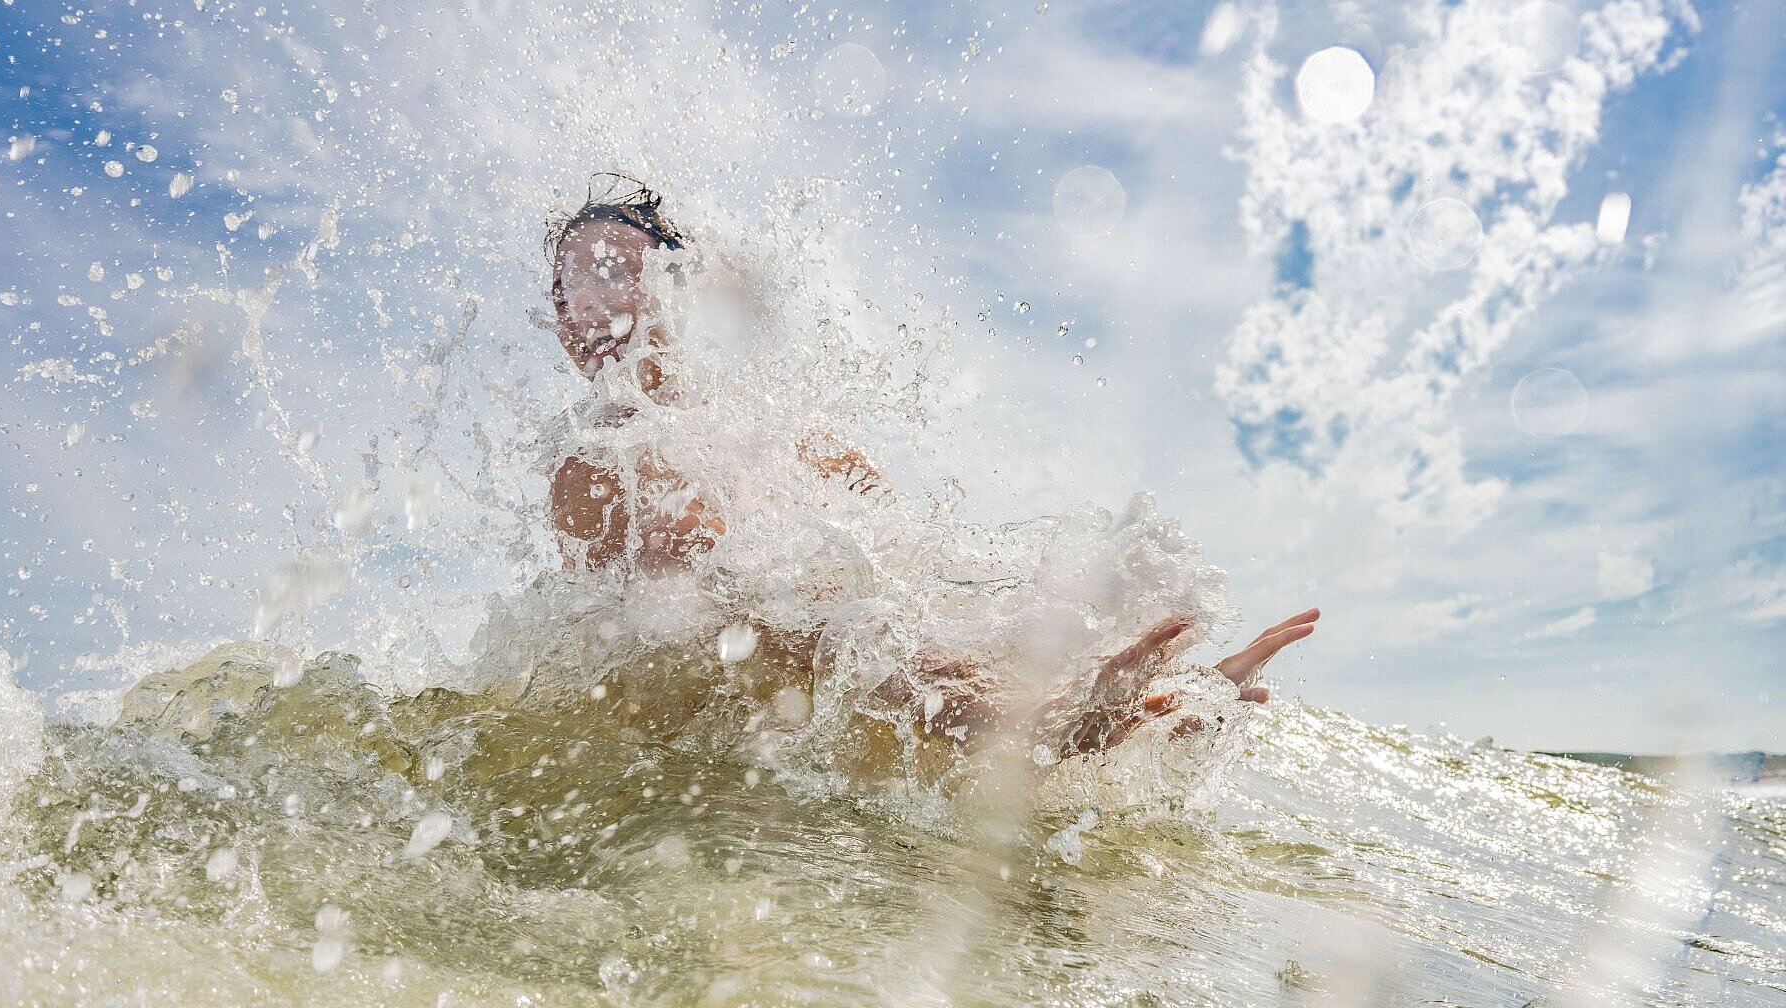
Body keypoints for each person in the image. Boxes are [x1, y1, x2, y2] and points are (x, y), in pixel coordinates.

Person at [542, 177, 1316, 759]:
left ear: (682, 288)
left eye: (610, 271)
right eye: (565, 287)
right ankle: (1072, 725)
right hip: (726, 758)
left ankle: (1138, 703)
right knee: (817, 614)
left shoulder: (789, 439)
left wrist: (1041, 663)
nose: (585, 304)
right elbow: (721, 632)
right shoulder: (595, 466)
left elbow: (918, 586)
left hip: (849, 717)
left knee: (898, 612)